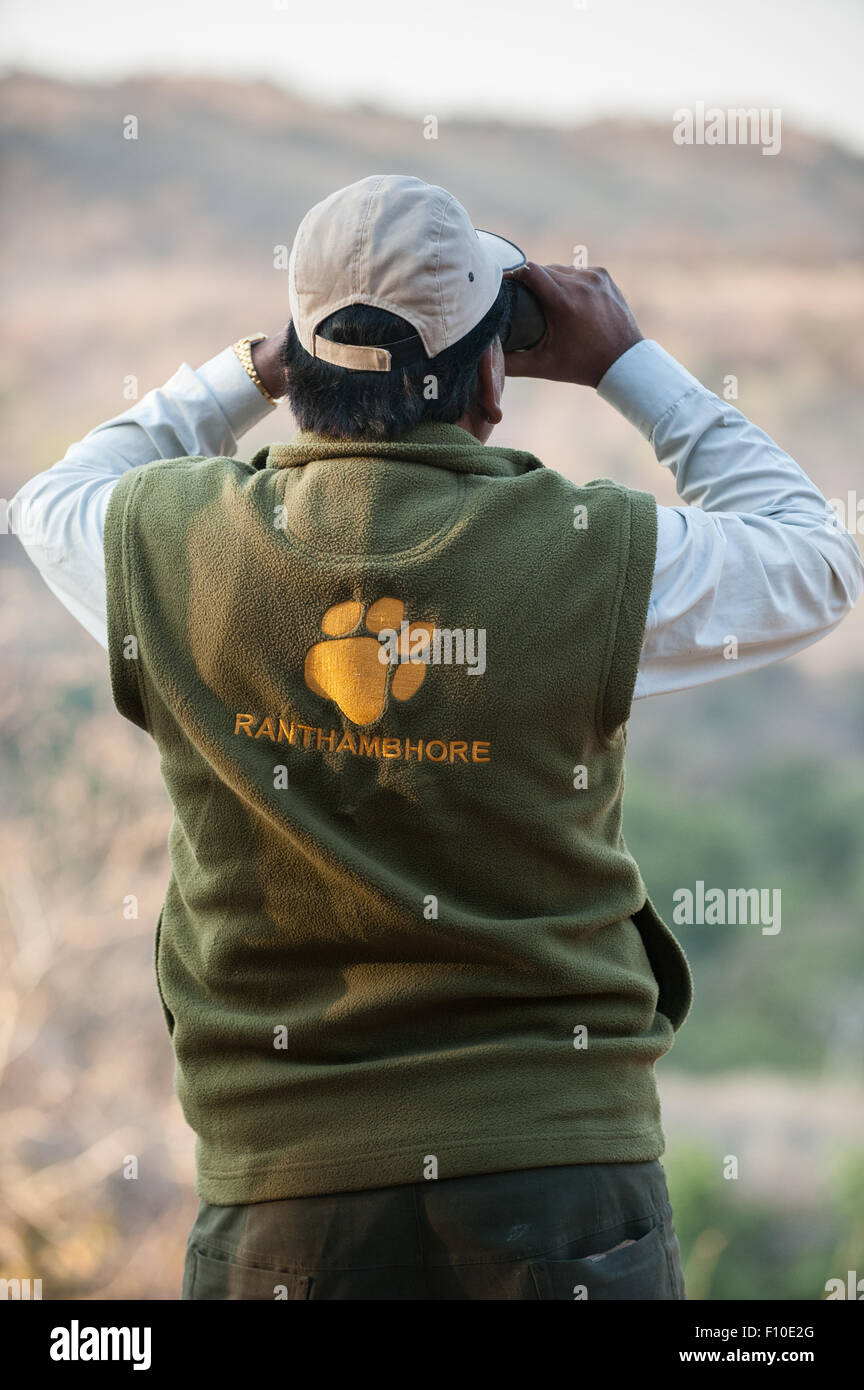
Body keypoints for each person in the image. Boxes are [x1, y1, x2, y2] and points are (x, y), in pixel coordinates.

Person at [9, 174, 862, 1301]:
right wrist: (624, 364)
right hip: (561, 1177)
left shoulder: (174, 549)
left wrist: (255, 369)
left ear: (301, 367)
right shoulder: (583, 552)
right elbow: (817, 558)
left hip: (288, 1196)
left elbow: (50, 498)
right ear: (495, 380)